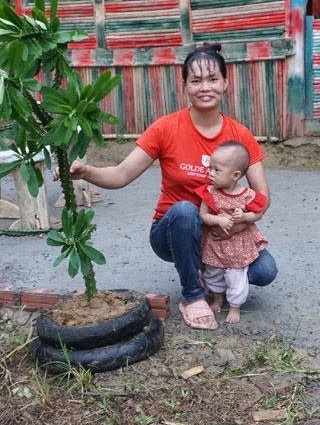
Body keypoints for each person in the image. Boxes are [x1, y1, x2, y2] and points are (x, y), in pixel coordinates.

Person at [68, 43, 277, 330]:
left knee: (265, 271)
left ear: (225, 83)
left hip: (223, 235)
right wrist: (86, 172)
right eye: (196, 80)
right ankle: (193, 295)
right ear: (184, 86)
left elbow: (261, 197)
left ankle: (210, 271)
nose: (205, 87)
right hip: (173, 230)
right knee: (185, 211)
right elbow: (120, 174)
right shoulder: (166, 128)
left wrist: (239, 225)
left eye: (213, 79)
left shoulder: (240, 135)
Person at [197, 140, 269, 324]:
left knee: (236, 276)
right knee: (213, 273)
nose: (210, 173)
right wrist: (218, 219)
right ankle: (217, 297)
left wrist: (245, 217)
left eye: (217, 170)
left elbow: (258, 213)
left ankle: (235, 306)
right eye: (210, 168)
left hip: (238, 247)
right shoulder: (210, 192)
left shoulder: (247, 195)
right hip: (215, 244)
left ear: (235, 175)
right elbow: (203, 215)